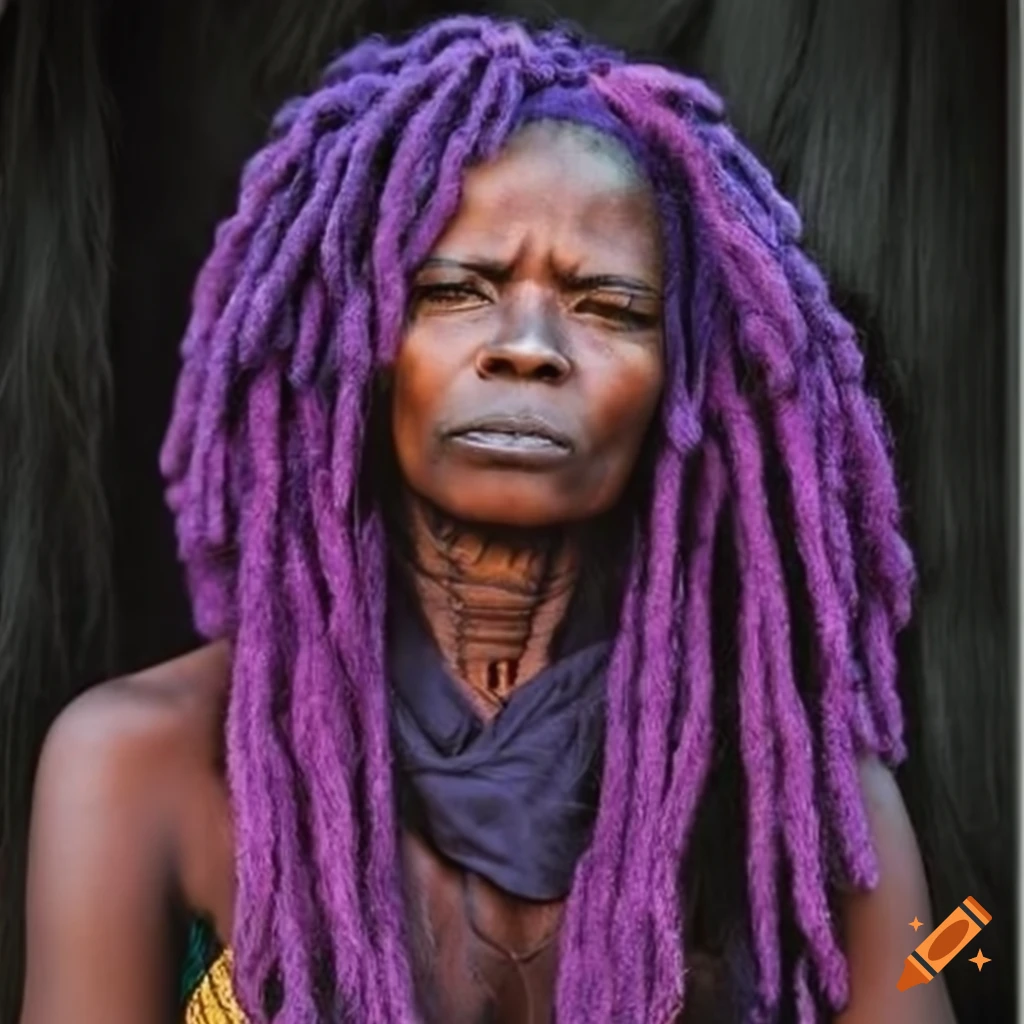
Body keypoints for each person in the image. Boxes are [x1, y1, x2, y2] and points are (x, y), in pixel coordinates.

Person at [18, 16, 957, 1024]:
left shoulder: (805, 793)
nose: (526, 347)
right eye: (456, 289)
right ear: (357, 347)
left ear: (691, 389)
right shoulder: (143, 763)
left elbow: (948, 955)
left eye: (606, 304)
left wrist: (976, 939)